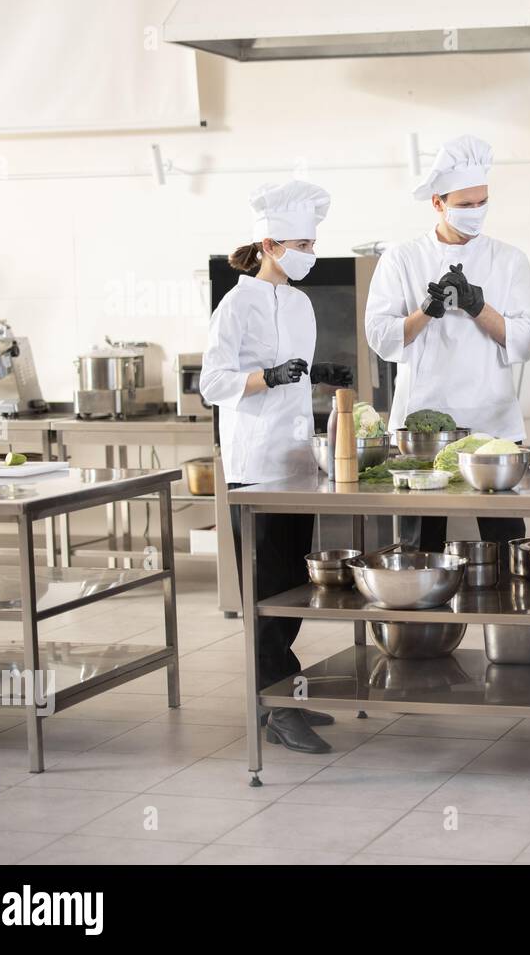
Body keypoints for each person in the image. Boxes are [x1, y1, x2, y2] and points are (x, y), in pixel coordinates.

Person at [201, 180, 351, 755]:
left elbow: (295, 371)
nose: (309, 252)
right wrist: (270, 376)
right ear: (268, 243)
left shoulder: (301, 302)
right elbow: (212, 383)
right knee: (265, 590)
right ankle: (276, 707)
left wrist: (316, 373)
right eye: (300, 242)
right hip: (253, 465)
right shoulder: (236, 303)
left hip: (294, 460)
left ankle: (286, 693)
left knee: (291, 587)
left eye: (313, 241)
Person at [364, 134, 530, 551]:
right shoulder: (401, 259)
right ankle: (425, 612)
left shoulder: (510, 259)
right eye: (465, 205)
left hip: (492, 422)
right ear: (438, 203)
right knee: (418, 545)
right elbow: (379, 336)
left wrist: (479, 307)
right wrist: (426, 311)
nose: (476, 213)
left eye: (482, 202)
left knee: (506, 544)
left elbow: (528, 340)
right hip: (423, 428)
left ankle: (508, 617)